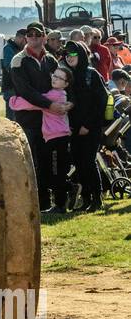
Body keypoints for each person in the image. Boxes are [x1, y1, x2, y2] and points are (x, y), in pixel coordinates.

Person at [8, 22, 64, 214]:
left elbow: (60, 84)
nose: (34, 38)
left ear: (44, 38)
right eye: (30, 35)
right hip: (30, 119)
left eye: (37, 35)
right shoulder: (18, 61)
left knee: (50, 160)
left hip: (50, 119)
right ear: (26, 38)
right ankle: (39, 202)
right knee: (34, 162)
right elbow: (25, 91)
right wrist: (50, 104)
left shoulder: (51, 60)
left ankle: (49, 201)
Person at [10, 65, 73, 212]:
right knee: (52, 171)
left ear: (66, 84)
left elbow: (31, 103)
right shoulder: (53, 92)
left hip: (58, 138)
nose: (55, 79)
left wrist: (13, 100)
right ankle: (63, 196)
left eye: (59, 78)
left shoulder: (56, 96)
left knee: (57, 172)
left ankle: (60, 204)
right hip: (51, 137)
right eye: (54, 76)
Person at [63, 39, 109, 211]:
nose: (69, 57)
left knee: (89, 162)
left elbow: (101, 102)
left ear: (81, 54)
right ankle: (86, 198)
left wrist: (88, 125)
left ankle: (97, 198)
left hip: (91, 127)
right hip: (73, 128)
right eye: (66, 54)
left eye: (73, 53)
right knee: (79, 163)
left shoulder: (92, 74)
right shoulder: (67, 76)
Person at [1, 28, 27, 120]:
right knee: (12, 119)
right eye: (26, 40)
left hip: (17, 88)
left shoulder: (17, 49)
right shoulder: (8, 49)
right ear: (21, 38)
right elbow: (10, 67)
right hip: (11, 89)